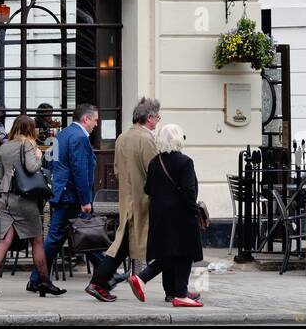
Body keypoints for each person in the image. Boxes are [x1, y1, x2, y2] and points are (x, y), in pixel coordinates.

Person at [86, 97, 164, 303]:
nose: (158, 121)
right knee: (161, 246)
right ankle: (97, 282)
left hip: (127, 198)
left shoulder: (122, 137)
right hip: (143, 201)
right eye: (157, 117)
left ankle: (99, 282)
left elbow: (117, 170)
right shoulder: (147, 140)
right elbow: (154, 171)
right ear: (149, 118)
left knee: (122, 246)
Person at [0, 115, 64, 297]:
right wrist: (39, 156)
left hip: (6, 199)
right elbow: (32, 168)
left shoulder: (4, 147)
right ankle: (44, 282)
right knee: (37, 240)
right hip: (24, 200)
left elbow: (0, 177)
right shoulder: (28, 144)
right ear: (30, 129)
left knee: (4, 241)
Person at [28, 102, 100, 290]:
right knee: (83, 236)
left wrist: (58, 187)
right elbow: (80, 171)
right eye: (95, 120)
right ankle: (106, 274)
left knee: (72, 237)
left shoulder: (62, 134)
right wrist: (85, 200)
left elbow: (51, 164)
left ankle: (106, 274)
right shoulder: (80, 138)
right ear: (86, 119)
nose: (96, 124)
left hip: (61, 193)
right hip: (72, 197)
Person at [144, 123, 204, 307]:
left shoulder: (155, 162)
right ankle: (180, 294)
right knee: (184, 254)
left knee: (168, 253)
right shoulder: (185, 162)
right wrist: (195, 212)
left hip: (159, 215)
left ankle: (171, 292)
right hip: (181, 215)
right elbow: (189, 192)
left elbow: (148, 189)